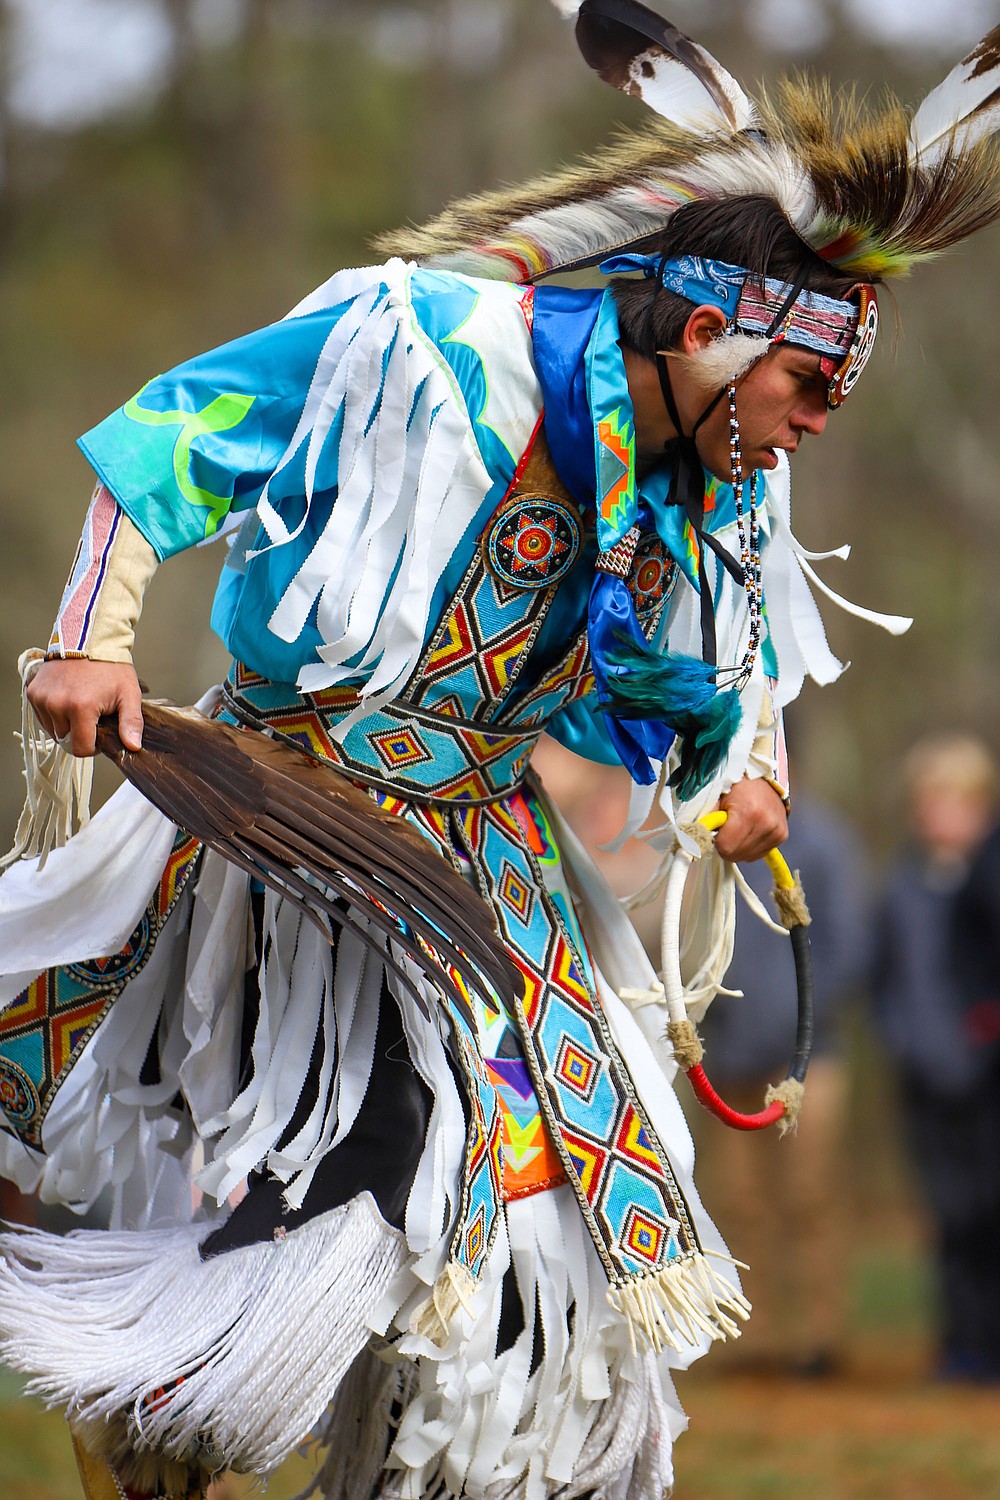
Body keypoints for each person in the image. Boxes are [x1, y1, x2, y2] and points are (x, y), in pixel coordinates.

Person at [1, 4, 999, 1497]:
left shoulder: (712, 474)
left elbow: (718, 665)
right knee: (166, 1178)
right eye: (808, 388)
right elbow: (173, 430)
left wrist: (736, 780)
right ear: (718, 327)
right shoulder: (423, 348)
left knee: (558, 1279)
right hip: (270, 822)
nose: (811, 429)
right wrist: (95, 634)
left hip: (484, 861)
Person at [693, 786, 870, 1377]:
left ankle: (817, 1338)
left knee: (810, 1196)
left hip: (809, 1057)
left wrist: (796, 1022)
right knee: (741, 1202)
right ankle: (757, 1338)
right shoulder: (701, 842)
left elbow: (848, 946)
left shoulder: (824, 842)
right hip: (728, 1057)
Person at [873, 733, 1000, 1384]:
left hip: (987, 1080)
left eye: (956, 800)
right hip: (926, 1076)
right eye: (931, 800)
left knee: (990, 1211)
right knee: (949, 1214)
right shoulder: (901, 885)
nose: (941, 814)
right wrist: (909, 1042)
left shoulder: (989, 883)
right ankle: (960, 1345)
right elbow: (887, 981)